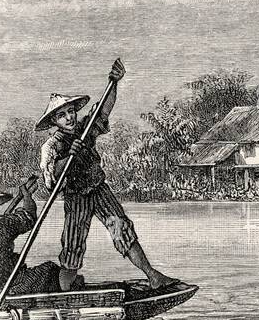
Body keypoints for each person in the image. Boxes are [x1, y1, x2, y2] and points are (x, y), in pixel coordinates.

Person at [38, 59, 176, 291]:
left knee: (122, 227)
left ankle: (152, 276)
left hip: (99, 188)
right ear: (54, 121)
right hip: (77, 198)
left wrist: (114, 83)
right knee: (73, 247)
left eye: (71, 111)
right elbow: (52, 183)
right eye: (62, 115)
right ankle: (62, 292)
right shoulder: (51, 147)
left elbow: (103, 110)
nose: (69, 117)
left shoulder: (85, 128)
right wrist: (65, 161)